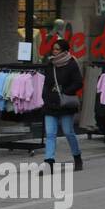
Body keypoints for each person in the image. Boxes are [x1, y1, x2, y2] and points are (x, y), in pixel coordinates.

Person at [41, 39, 84, 171]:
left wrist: (65, 92)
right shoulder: (50, 64)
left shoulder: (71, 64)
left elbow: (78, 83)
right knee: (50, 133)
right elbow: (46, 83)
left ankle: (77, 157)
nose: (54, 51)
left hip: (65, 103)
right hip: (50, 103)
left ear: (65, 50)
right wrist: (45, 96)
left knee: (68, 132)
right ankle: (49, 162)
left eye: (57, 49)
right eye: (53, 49)